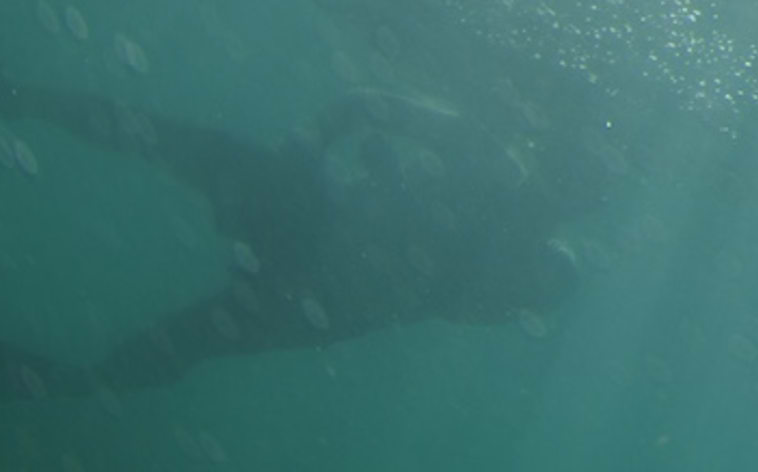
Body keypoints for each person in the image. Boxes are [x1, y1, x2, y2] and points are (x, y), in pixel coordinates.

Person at [0, 77, 601, 397]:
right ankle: (27, 100)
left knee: (185, 338)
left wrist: (322, 157)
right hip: (318, 245)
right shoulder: (495, 171)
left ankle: (64, 384)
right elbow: (366, 105)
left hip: (321, 284)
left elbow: (366, 112)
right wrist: (304, 151)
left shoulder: (539, 270)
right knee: (166, 144)